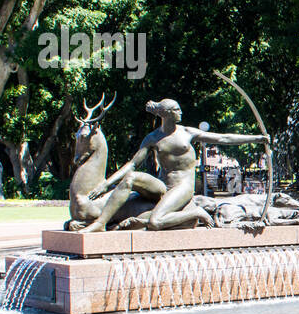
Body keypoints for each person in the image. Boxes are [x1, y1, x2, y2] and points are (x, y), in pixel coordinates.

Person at [84, 98, 269, 232]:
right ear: (167, 113)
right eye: (177, 110)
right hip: (163, 185)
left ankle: (195, 212)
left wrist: (258, 138)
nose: (181, 112)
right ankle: (101, 222)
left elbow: (224, 138)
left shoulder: (187, 132)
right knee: (131, 178)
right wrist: (106, 184)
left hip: (183, 186)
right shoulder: (153, 138)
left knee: (155, 222)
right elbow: (132, 165)